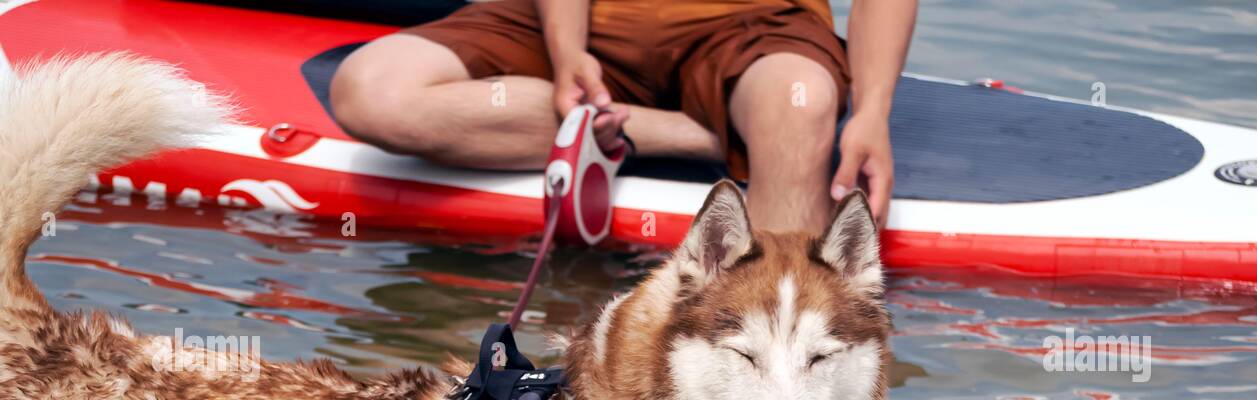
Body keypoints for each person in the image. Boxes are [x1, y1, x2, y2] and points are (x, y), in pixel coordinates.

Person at [331, 0, 917, 232]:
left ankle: (767, 380)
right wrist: (567, 56)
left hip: (750, 24)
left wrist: (871, 112)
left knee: (801, 101)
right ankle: (696, 137)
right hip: (575, 21)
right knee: (369, 89)